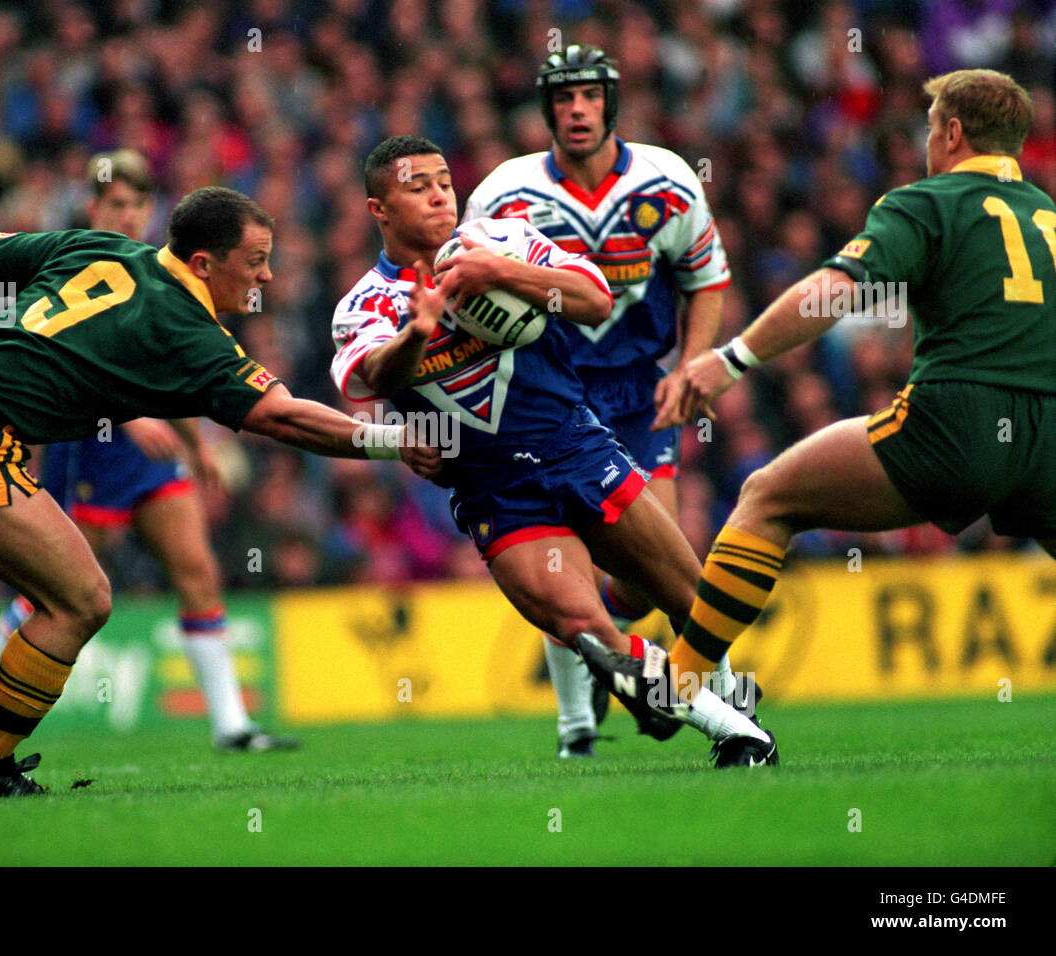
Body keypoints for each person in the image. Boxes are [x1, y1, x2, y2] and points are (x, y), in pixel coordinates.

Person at [0, 185, 439, 800]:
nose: (266, 275)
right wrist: (386, 439)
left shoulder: (101, 248)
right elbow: (283, 415)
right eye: (256, 259)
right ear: (204, 262)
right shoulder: (190, 332)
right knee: (82, 599)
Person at [591, 69, 1056, 737]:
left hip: (961, 422)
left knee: (770, 495)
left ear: (953, 133)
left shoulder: (928, 202)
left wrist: (732, 359)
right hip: (1047, 434)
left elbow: (835, 291)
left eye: (931, 129)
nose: (928, 143)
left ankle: (677, 684)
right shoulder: (1047, 216)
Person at [331, 135, 773, 767]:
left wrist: (499, 274)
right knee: (590, 633)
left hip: (578, 448)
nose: (438, 196)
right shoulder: (365, 304)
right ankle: (734, 733)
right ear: (379, 209)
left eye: (443, 182)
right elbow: (371, 378)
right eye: (416, 187)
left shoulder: (505, 238)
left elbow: (593, 298)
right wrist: (420, 329)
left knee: (689, 596)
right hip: (496, 493)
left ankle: (728, 703)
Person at [0, 150, 297, 755]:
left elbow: (181, 368)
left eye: (139, 204)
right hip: (85, 445)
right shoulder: (81, 255)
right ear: (94, 208)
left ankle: (231, 726)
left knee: (196, 569)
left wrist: (196, 444)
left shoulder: (163, 274)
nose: (129, 214)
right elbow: (67, 357)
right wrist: (130, 416)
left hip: (154, 450)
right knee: (56, 590)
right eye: (117, 203)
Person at [463, 44, 744, 757]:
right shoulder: (503, 191)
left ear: (611, 103)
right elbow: (466, 291)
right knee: (568, 569)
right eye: (562, 98)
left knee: (658, 570)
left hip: (637, 394)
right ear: (545, 109)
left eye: (589, 96)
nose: (577, 110)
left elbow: (704, 278)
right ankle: (578, 728)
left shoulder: (669, 180)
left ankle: (626, 664)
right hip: (550, 397)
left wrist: (695, 364)